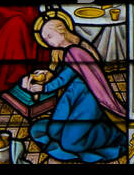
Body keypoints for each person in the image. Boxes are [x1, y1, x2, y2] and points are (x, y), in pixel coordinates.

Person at [22, 11, 125, 162]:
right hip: (72, 94)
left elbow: (64, 78)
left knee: (70, 143)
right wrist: (42, 78)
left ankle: (112, 132)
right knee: (53, 131)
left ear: (62, 31)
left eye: (49, 36)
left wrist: (43, 89)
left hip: (89, 99)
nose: (47, 42)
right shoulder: (63, 52)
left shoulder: (77, 51)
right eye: (45, 39)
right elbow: (61, 73)